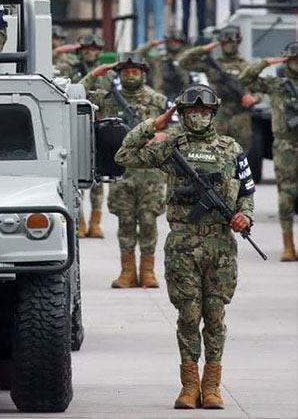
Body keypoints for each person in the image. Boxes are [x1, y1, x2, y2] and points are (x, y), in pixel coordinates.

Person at [115, 85, 255, 410]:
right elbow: (124, 154)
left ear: (212, 114)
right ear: (182, 114)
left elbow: (247, 192)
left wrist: (244, 217)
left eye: (203, 112)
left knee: (215, 317)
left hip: (219, 244)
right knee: (188, 316)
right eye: (190, 112)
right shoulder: (171, 148)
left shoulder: (231, 149)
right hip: (182, 243)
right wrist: (157, 123)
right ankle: (189, 387)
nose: (197, 118)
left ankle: (213, 387)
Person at [82, 53, 168, 288]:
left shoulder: (158, 101)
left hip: (151, 173)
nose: (130, 76)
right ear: (119, 75)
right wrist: (96, 73)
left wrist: (164, 135)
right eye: (126, 72)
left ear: (143, 74)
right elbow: (76, 93)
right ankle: (127, 272)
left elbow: (180, 125)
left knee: (149, 221)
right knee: (126, 224)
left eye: (135, 72)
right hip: (122, 172)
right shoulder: (109, 99)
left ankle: (148, 272)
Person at [239, 42, 298, 261]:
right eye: (293, 60)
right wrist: (266, 62)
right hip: (285, 147)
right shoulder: (277, 85)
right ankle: (288, 245)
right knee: (286, 197)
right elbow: (245, 79)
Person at [57, 34, 111, 237]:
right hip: (78, 127)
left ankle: (95, 223)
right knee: (77, 176)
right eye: (86, 48)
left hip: (100, 128)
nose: (90, 52)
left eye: (95, 49)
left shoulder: (108, 75)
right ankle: (79, 221)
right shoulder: (70, 68)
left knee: (98, 177)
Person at [177, 25, 261, 152]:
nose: (228, 45)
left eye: (231, 41)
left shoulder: (247, 66)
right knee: (214, 153)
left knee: (241, 155)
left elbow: (260, 89)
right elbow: (183, 61)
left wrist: (254, 98)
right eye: (225, 42)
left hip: (240, 116)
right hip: (218, 115)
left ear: (238, 42)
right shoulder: (212, 65)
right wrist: (205, 48)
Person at [134, 27, 194, 101]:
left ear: (181, 42)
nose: (173, 44)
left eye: (175, 41)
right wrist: (151, 44)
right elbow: (135, 56)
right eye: (170, 41)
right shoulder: (159, 59)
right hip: (162, 97)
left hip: (184, 97)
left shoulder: (188, 59)